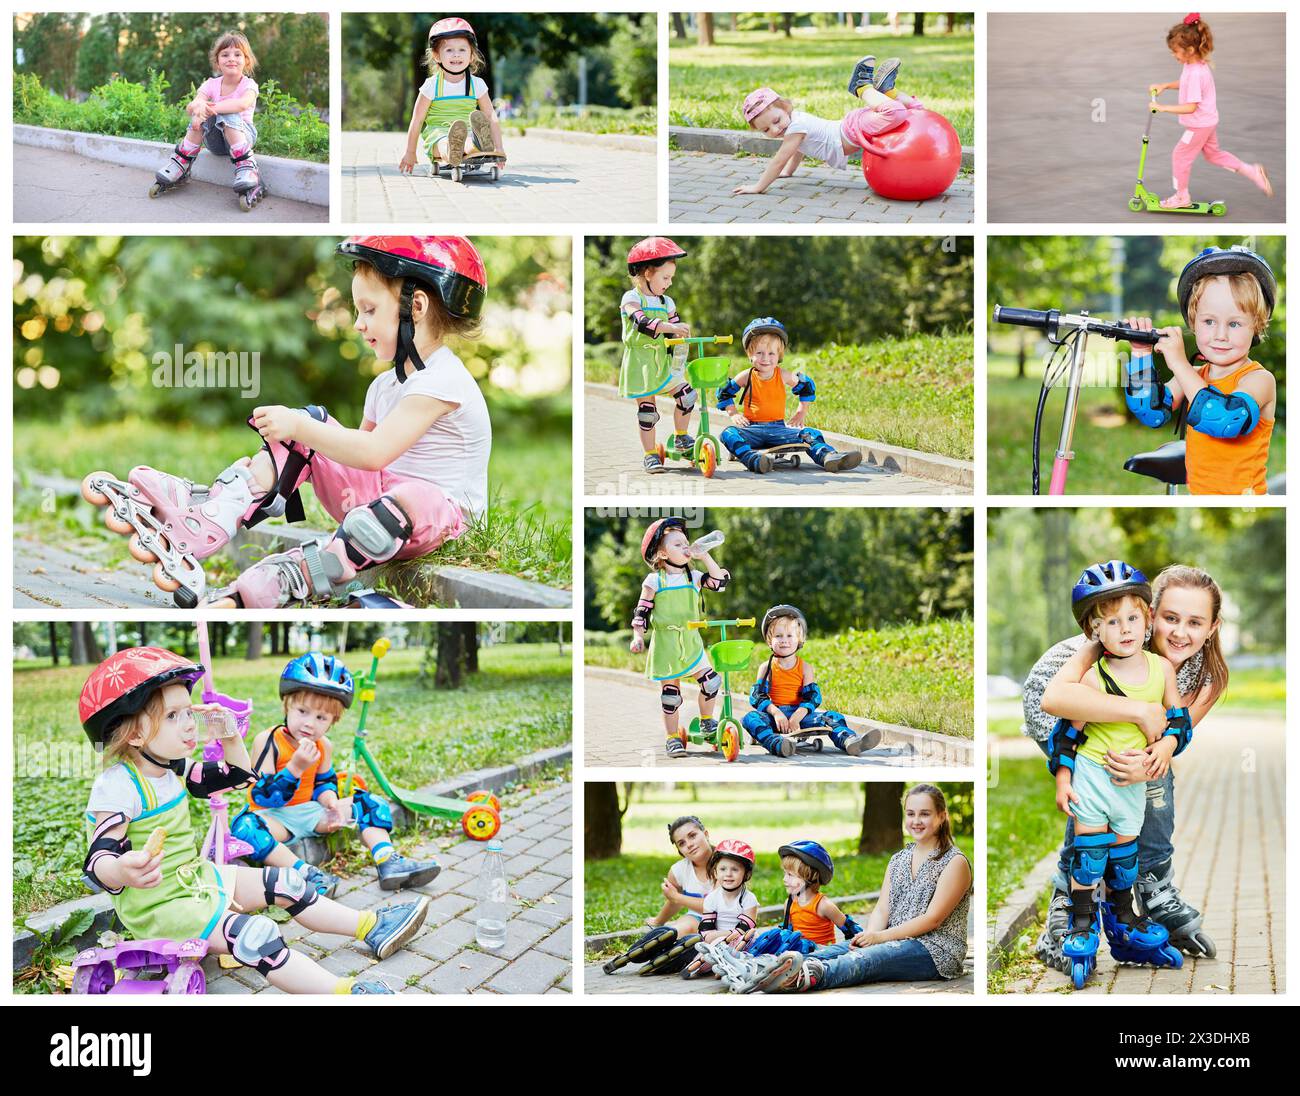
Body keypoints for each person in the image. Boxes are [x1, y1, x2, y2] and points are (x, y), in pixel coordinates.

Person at [84, 235, 490, 608]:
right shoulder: (385, 386)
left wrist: (298, 428)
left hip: (437, 518)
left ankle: (294, 575)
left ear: (415, 307)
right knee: (310, 424)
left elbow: (373, 454)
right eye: (356, 310)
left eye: (368, 309)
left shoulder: (443, 380)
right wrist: (301, 431)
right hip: (378, 499)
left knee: (401, 495)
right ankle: (211, 514)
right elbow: (351, 459)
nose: (358, 323)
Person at [79, 647, 430, 993]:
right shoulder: (119, 785)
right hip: (161, 909)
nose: (189, 723)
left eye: (188, 712)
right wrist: (122, 870)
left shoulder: (173, 769)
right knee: (257, 937)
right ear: (135, 734)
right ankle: (344, 992)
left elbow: (240, 775)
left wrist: (230, 734)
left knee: (288, 883)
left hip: (196, 881)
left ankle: (372, 926)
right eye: (173, 716)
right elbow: (99, 859)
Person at [1026, 564, 1228, 966]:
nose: (1179, 632)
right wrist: (1138, 711)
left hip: (1126, 735)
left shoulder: (1207, 677)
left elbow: (1171, 737)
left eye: (1194, 622)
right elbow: (1055, 699)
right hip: (1062, 711)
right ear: (1152, 613)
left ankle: (1153, 887)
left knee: (1150, 780)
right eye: (1170, 618)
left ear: (1212, 627)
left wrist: (1152, 761)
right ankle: (1068, 904)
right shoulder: (1110, 642)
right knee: (1093, 790)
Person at [230, 652, 442, 894]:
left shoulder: (324, 746)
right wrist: (294, 769)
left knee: (370, 803)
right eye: (302, 711)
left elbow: (324, 782)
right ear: (287, 705)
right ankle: (306, 874)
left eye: (321, 717)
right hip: (274, 817)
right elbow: (261, 795)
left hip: (309, 813)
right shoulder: (269, 740)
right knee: (245, 829)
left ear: (332, 722)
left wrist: (330, 802)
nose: (310, 723)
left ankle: (388, 860)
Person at [737, 784, 971, 992]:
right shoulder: (899, 859)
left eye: (925, 814)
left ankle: (804, 976)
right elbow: (882, 909)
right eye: (910, 814)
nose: (916, 821)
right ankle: (767, 967)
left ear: (941, 816)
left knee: (867, 959)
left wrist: (879, 938)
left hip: (935, 951)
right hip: (893, 939)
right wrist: (869, 935)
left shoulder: (954, 862)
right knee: (842, 949)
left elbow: (933, 920)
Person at [1123, 245, 1277, 495]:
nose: (1220, 335)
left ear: (1257, 326)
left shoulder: (1259, 380)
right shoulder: (1195, 375)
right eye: (1209, 321)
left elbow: (1224, 420)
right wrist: (1141, 354)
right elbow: (1151, 412)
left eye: (1235, 323)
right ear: (1193, 321)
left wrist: (1180, 364)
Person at [734, 56, 923, 196]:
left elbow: (779, 160)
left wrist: (758, 187)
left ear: (785, 108)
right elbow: (797, 151)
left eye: (776, 121)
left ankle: (862, 87)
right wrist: (789, 172)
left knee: (896, 113)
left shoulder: (795, 128)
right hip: (852, 127)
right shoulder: (794, 127)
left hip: (853, 129)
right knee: (917, 111)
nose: (775, 130)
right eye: (766, 130)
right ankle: (887, 91)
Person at [1147, 13, 1271, 210]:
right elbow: (1185, 84)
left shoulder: (1196, 72)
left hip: (1198, 124)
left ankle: (1181, 196)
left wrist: (1162, 108)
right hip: (1207, 121)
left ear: (1189, 49)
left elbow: (1191, 107)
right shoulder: (1192, 65)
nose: (1174, 55)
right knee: (1214, 155)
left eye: (1176, 52)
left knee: (1180, 155)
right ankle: (1253, 172)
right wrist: (1165, 86)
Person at [631, 517, 730, 758]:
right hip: (666, 644)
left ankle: (707, 721)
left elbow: (719, 582)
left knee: (711, 682)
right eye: (677, 545)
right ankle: (672, 738)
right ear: (662, 554)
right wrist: (637, 636)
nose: (686, 547)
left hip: (691, 640)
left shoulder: (694, 577)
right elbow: (641, 612)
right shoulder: (654, 581)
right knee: (670, 697)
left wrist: (704, 554)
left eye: (686, 543)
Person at [717, 317, 863, 474]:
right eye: (759, 353)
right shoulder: (746, 375)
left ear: (779, 355)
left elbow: (807, 387)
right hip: (752, 429)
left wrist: (801, 413)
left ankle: (828, 457)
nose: (765, 358)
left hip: (779, 430)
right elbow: (724, 391)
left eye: (771, 353)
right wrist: (734, 413)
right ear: (749, 354)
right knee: (727, 433)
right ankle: (753, 460)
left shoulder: (783, 375)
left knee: (811, 434)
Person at [742, 604, 880, 757]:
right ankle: (777, 744)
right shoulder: (766, 668)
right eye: (778, 636)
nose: (784, 640)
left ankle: (849, 740)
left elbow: (812, 697)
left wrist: (798, 716)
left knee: (833, 717)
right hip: (776, 715)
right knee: (750, 718)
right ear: (769, 640)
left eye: (790, 636)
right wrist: (776, 713)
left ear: (799, 640)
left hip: (801, 715)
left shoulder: (805, 668)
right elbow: (757, 696)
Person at [400, 18, 506, 175]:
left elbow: (490, 116)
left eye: (462, 50)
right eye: (449, 50)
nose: (456, 55)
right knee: (444, 144)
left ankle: (479, 144)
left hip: (467, 132)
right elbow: (417, 120)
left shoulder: (477, 84)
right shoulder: (431, 86)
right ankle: (453, 149)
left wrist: (499, 148)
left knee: (468, 142)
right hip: (438, 133)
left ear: (471, 55)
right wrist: (410, 152)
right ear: (436, 55)